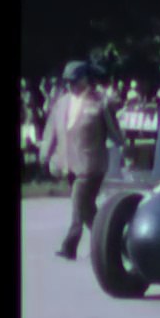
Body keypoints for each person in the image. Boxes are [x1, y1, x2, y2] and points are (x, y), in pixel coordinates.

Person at [41, 60, 129, 260]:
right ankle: (112, 242)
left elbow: (115, 132)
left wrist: (124, 146)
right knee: (88, 209)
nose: (70, 85)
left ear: (85, 79)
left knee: (78, 203)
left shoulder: (100, 102)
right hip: (69, 163)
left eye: (74, 80)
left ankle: (69, 245)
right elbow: (51, 131)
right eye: (67, 81)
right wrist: (45, 154)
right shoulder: (62, 102)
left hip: (92, 165)